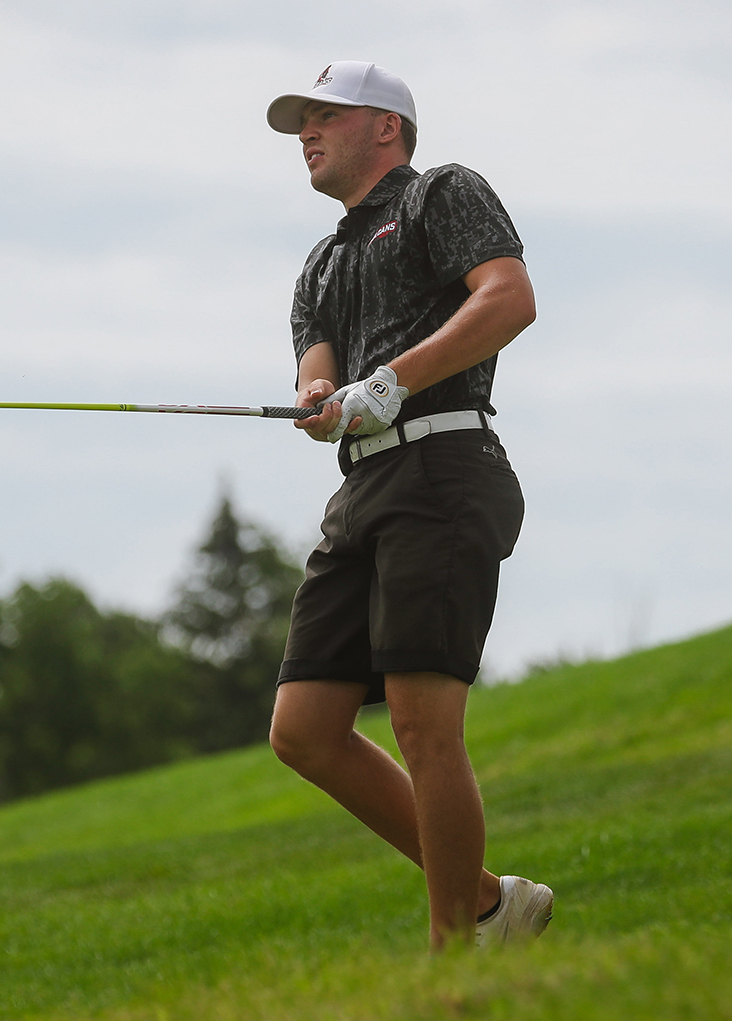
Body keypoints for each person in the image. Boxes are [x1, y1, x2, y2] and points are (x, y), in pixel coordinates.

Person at [263, 60, 552, 951]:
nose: (306, 133)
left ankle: (454, 952)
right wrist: (323, 402)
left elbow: (509, 298)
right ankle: (490, 904)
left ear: (384, 125)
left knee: (425, 724)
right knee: (304, 730)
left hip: (445, 466)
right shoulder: (320, 261)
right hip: (363, 488)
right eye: (299, 122)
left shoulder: (440, 194)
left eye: (324, 116)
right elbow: (316, 370)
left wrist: (392, 379)